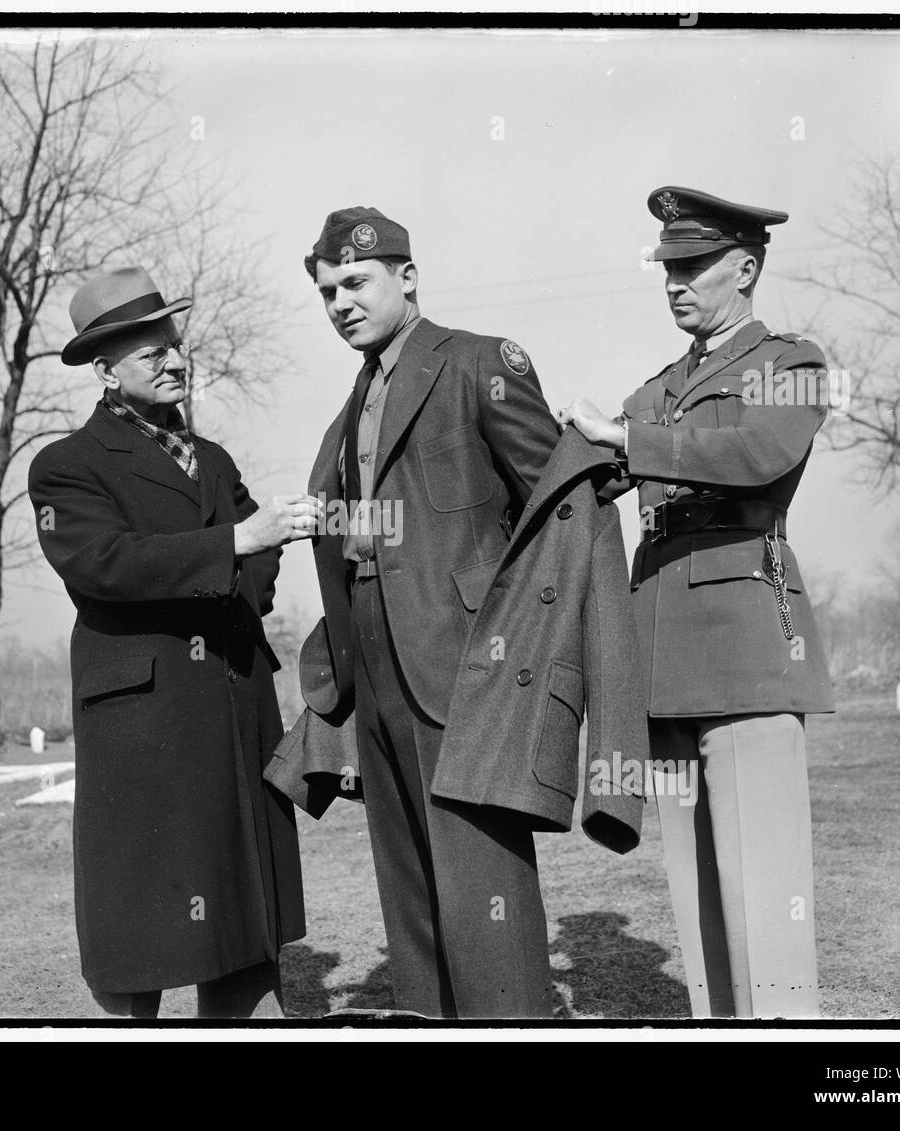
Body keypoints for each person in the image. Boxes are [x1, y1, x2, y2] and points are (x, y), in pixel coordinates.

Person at [561, 186, 836, 1019]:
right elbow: (586, 482)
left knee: (767, 915)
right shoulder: (653, 393)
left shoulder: (792, 363)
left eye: (693, 265)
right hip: (663, 666)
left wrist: (627, 442)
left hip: (747, 657)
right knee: (703, 916)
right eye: (667, 267)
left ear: (746, 268)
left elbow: (758, 453)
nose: (675, 281)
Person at [28, 265, 321, 1018]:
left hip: (232, 707)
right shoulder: (65, 467)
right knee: (140, 928)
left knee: (237, 919)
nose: (174, 360)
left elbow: (264, 549)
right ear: (105, 370)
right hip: (144, 725)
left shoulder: (214, 459)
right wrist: (232, 544)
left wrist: (241, 565)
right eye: (151, 351)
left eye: (176, 344)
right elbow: (104, 565)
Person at [293, 206, 563, 1017]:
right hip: (373, 664)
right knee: (408, 893)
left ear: (407, 278)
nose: (341, 302)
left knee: (484, 890)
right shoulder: (352, 408)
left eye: (356, 282)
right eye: (328, 290)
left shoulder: (481, 363)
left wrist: (523, 655)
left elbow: (556, 510)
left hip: (466, 668)